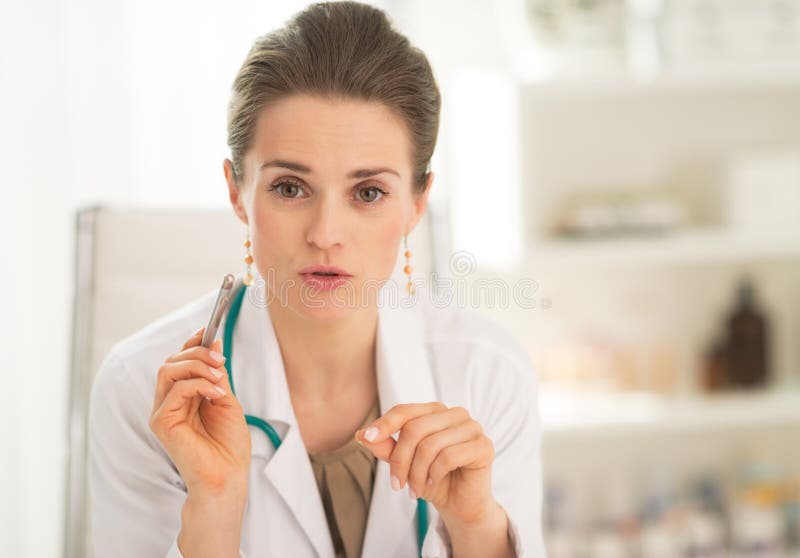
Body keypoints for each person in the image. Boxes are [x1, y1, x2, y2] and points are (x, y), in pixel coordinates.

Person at [88, 2, 544, 557]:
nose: (326, 233)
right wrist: (212, 507)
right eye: (289, 188)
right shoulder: (140, 391)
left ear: (417, 203)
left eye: (368, 192)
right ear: (237, 192)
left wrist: (477, 528)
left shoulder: (487, 375)